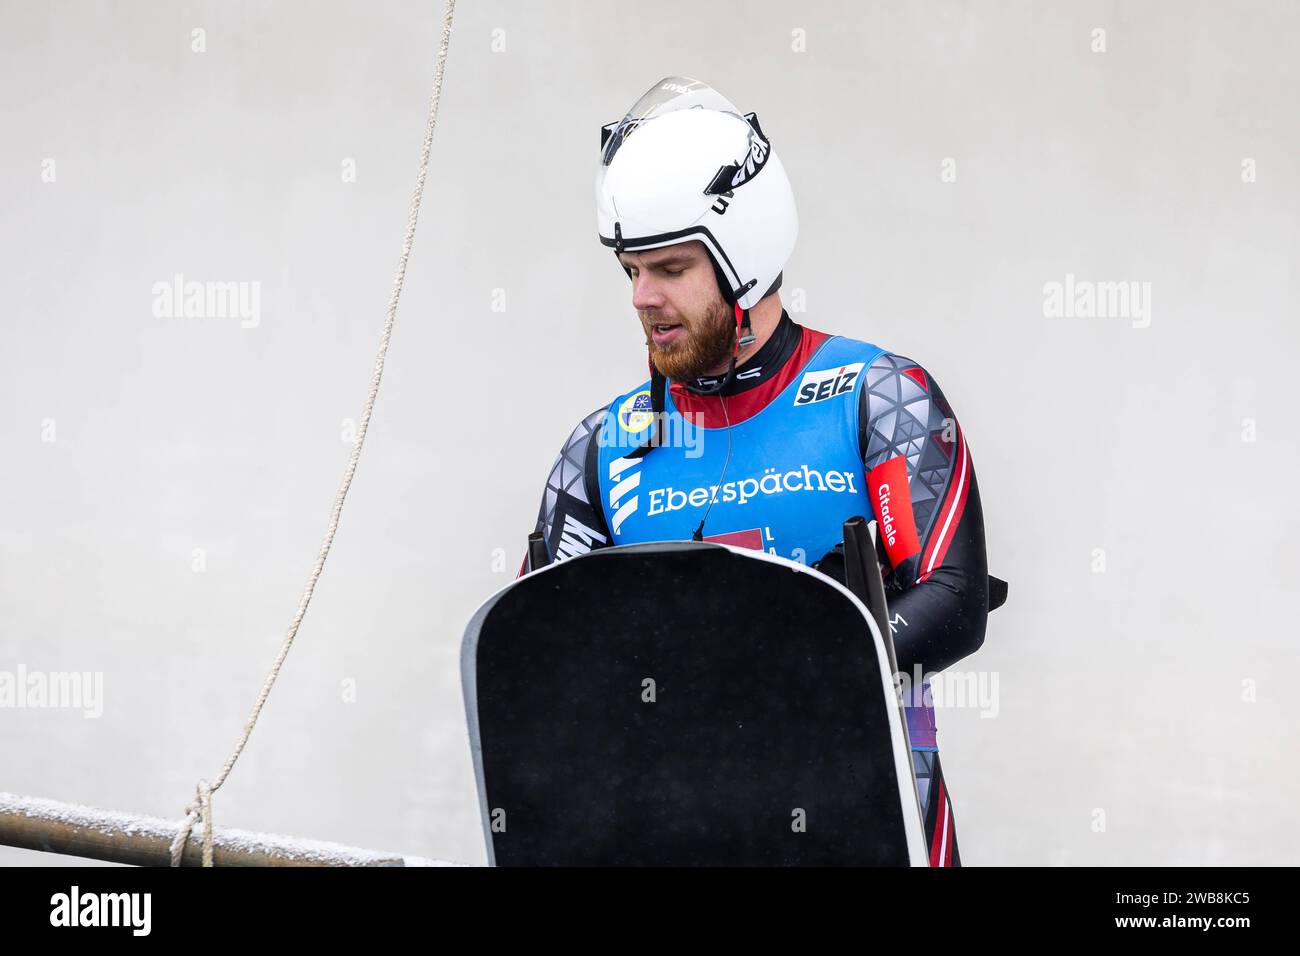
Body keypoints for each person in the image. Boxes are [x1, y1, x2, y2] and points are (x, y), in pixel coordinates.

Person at [524, 76, 997, 866]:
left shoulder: (878, 399)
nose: (642, 296)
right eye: (630, 270)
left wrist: (766, 677)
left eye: (669, 268)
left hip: (868, 834)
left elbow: (954, 603)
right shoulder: (601, 449)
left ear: (744, 265)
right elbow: (539, 663)